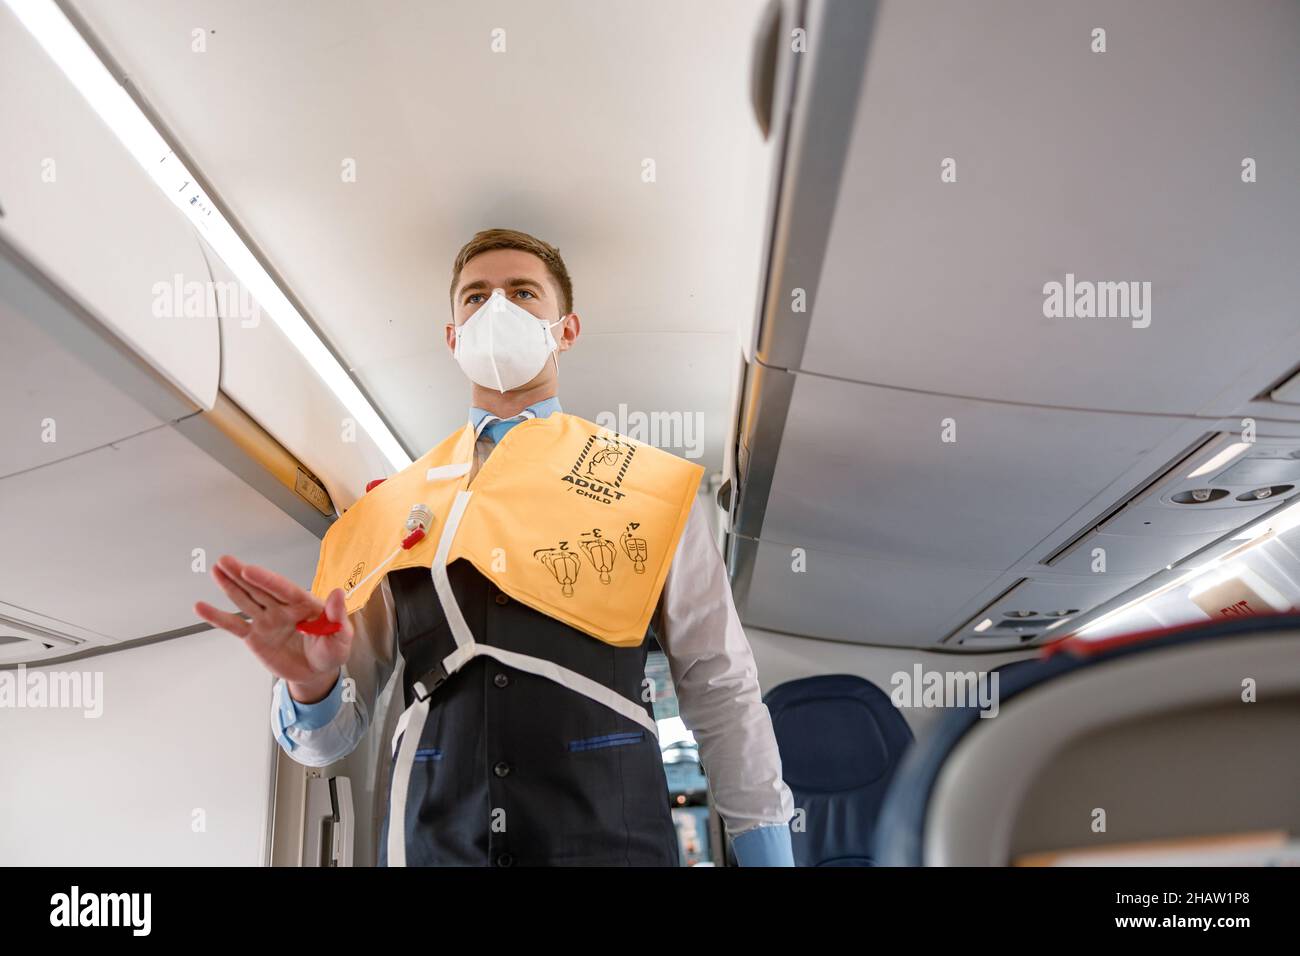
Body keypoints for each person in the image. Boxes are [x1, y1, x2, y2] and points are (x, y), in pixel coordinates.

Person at [196, 228, 795, 866]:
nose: (496, 309)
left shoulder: (650, 486)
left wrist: (769, 856)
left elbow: (722, 688)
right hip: (434, 844)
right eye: (475, 297)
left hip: (611, 840)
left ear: (566, 330)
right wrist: (312, 688)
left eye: (522, 293)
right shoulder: (389, 510)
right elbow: (328, 742)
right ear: (453, 338)